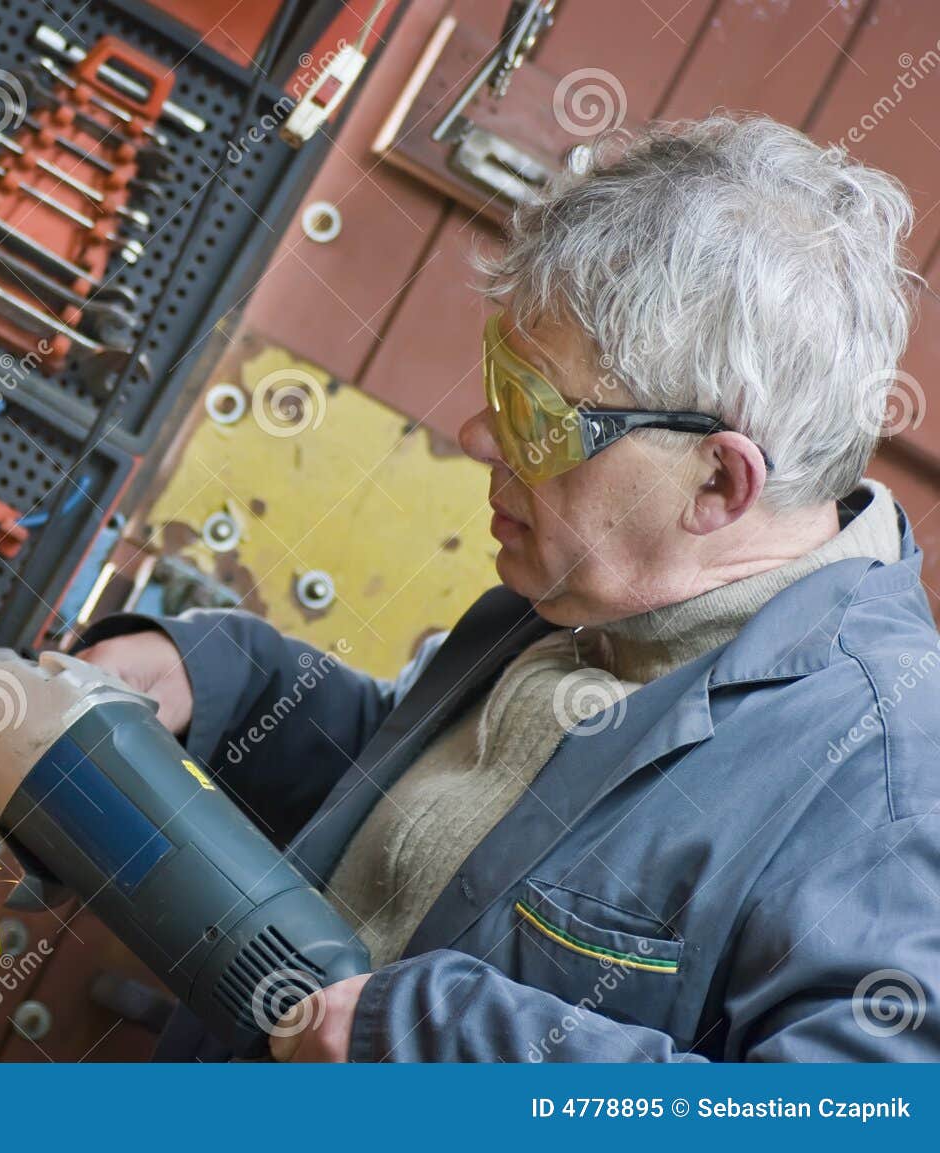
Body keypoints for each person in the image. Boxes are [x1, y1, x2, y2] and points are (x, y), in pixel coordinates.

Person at [80, 116, 940, 1061]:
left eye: (538, 415)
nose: (478, 435)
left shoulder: (887, 778)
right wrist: (221, 680)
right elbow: (444, 831)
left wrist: (439, 1049)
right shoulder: (594, 590)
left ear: (717, 483)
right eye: (502, 381)